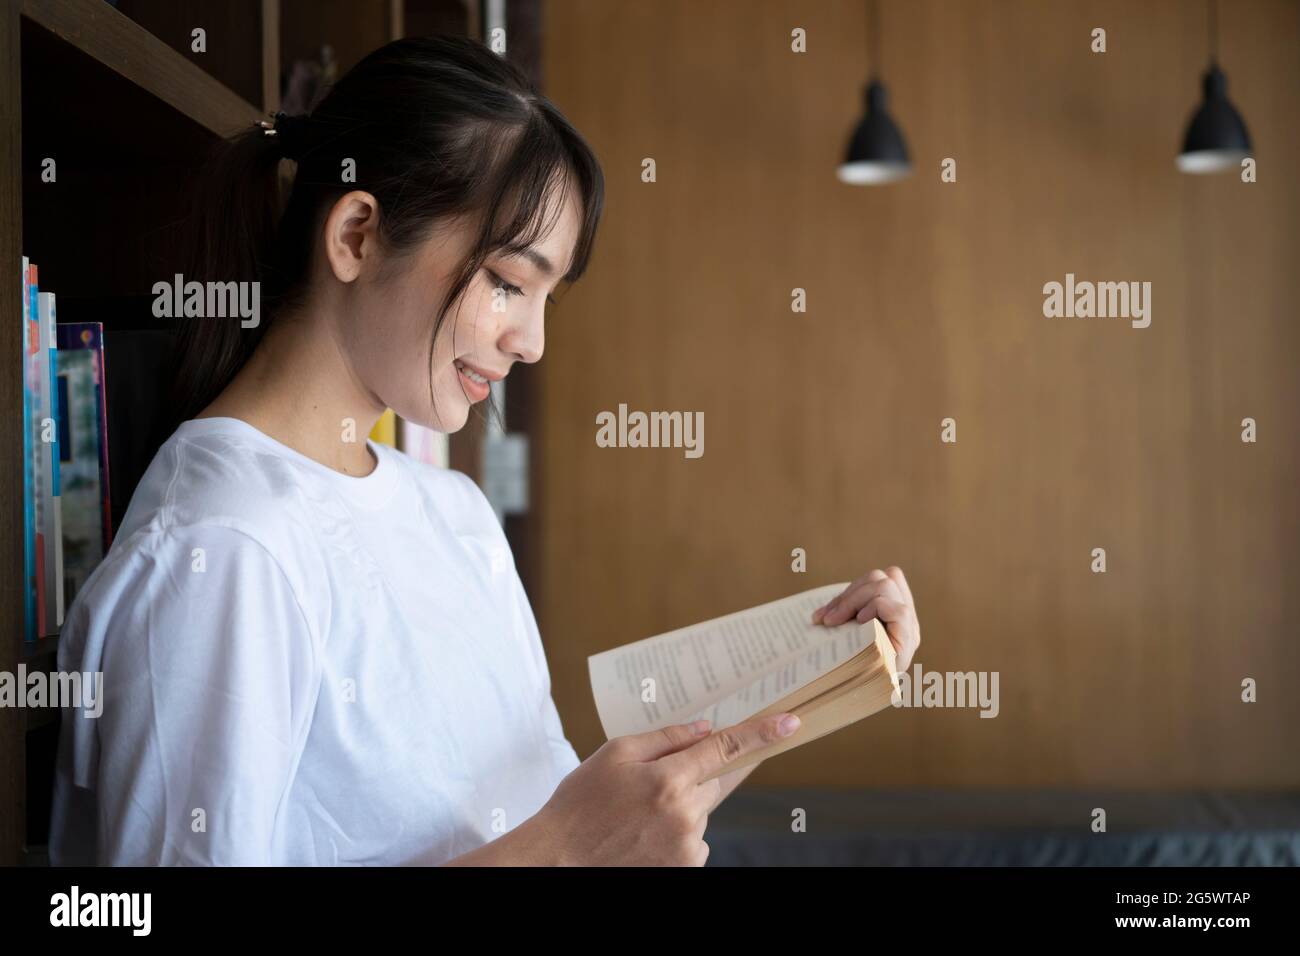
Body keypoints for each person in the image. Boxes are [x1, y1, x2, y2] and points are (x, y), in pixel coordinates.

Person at [49, 35, 920, 866]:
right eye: (508, 282)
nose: (532, 342)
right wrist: (565, 850)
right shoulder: (227, 552)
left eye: (546, 296)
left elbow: (583, 829)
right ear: (356, 236)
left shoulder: (453, 511)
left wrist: (819, 673)